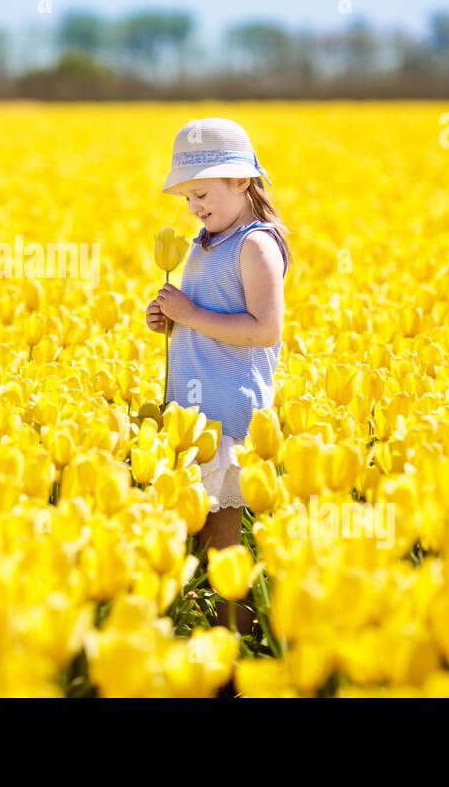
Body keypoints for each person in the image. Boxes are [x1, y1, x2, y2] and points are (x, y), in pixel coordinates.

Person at [146, 117, 291, 633]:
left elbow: (265, 330)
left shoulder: (256, 245)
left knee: (224, 548)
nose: (195, 207)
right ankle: (218, 647)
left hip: (230, 419)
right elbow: (206, 316)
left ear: (241, 180)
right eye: (187, 198)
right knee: (206, 543)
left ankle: (240, 652)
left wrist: (190, 315)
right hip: (195, 416)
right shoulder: (204, 243)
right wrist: (169, 320)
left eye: (203, 193)